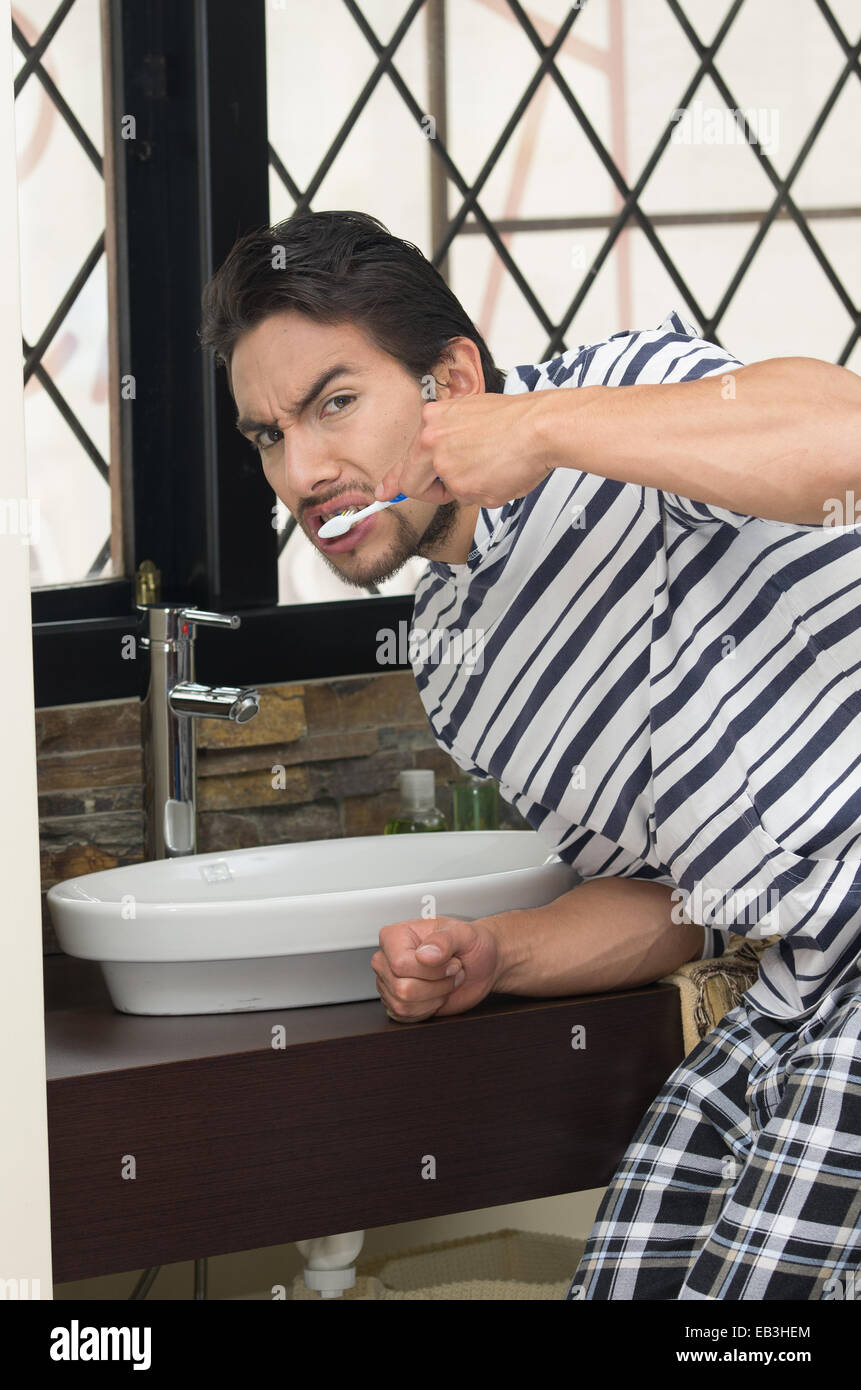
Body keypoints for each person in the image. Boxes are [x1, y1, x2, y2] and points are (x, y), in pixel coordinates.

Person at [199, 209, 861, 1300]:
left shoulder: (624, 394)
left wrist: (548, 428)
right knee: (639, 1248)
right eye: (269, 435)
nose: (304, 469)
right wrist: (500, 954)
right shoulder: (458, 674)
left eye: (336, 403)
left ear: (452, 379)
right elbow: (675, 899)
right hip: (802, 985)